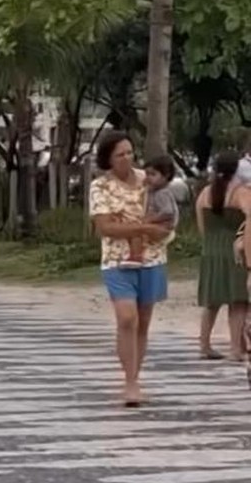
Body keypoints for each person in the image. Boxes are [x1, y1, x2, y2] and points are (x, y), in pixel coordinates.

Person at [89, 131, 172, 407]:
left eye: (129, 152)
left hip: (152, 258)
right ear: (108, 159)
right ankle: (129, 381)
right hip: (116, 260)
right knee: (127, 318)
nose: (127, 158)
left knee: (143, 322)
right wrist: (144, 227)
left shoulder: (147, 180)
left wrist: (140, 226)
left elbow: (167, 210)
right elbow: (105, 227)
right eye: (120, 154)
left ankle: (136, 375)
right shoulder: (100, 187)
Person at [196, 151, 251, 361]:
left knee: (212, 302)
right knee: (238, 301)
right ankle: (235, 348)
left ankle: (204, 345)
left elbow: (202, 226)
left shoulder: (205, 193)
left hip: (210, 251)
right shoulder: (240, 192)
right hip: (234, 251)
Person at [123, 156, 179, 267]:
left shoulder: (163, 193)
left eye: (153, 174)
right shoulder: (153, 191)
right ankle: (137, 254)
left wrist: (150, 219)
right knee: (135, 228)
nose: (148, 178)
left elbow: (168, 212)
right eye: (147, 174)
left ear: (166, 176)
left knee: (137, 230)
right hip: (159, 225)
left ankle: (136, 256)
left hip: (164, 226)